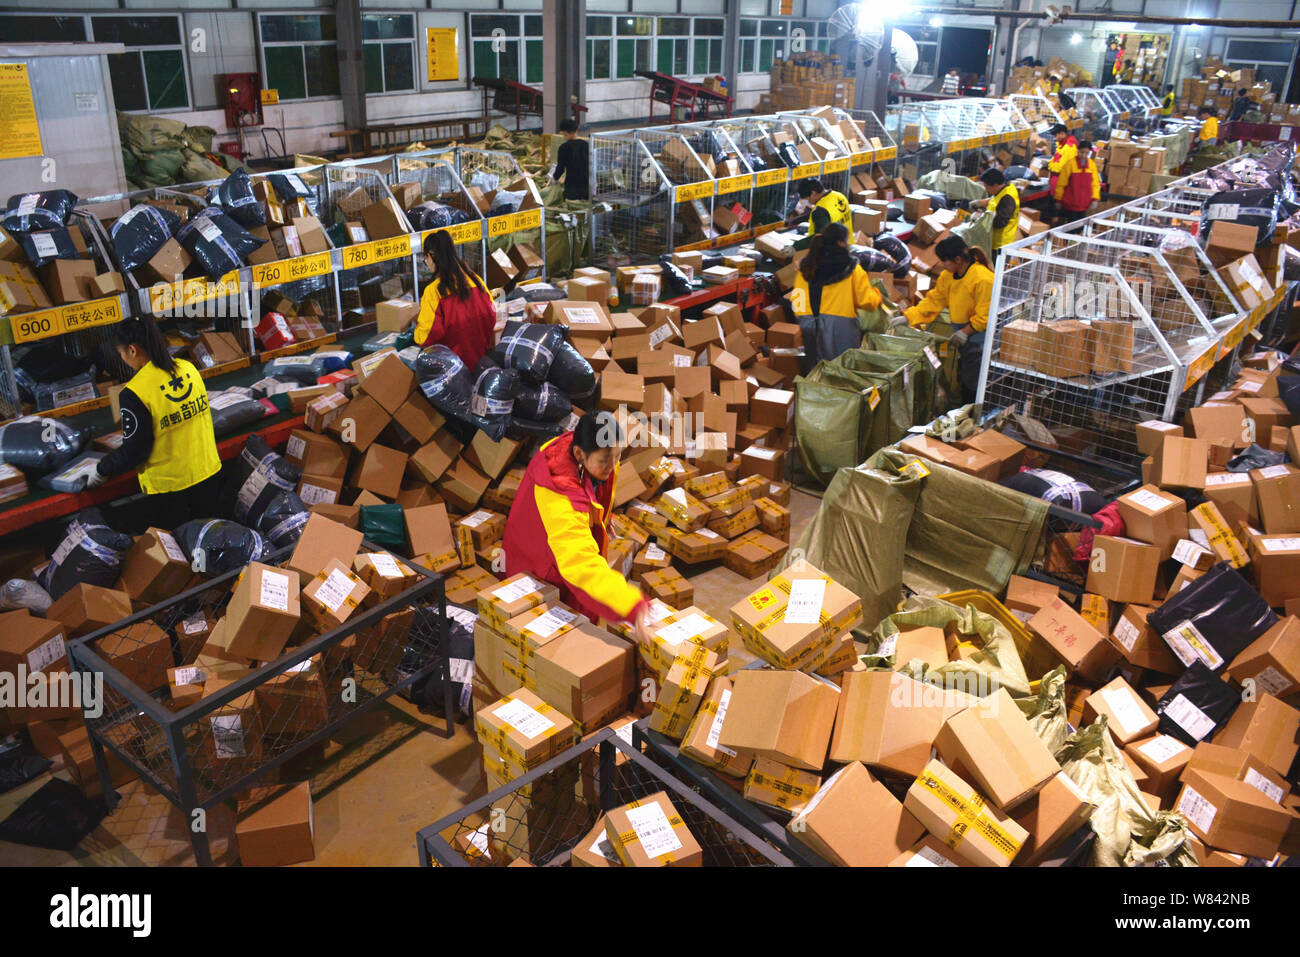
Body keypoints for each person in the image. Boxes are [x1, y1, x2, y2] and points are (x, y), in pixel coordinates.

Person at [502, 412, 651, 641]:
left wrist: (602, 516)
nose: (611, 466)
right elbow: (579, 561)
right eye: (604, 461)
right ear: (580, 454)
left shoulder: (585, 447)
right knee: (560, 629)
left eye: (617, 457)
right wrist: (628, 604)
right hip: (541, 556)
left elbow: (596, 486)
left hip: (552, 538)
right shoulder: (558, 490)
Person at [88, 317, 222, 529]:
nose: (123, 358)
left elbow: (136, 450)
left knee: (182, 553)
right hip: (208, 474)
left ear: (132, 350)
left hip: (171, 489)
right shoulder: (188, 368)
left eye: (121, 353)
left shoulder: (135, 392)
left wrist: (102, 469)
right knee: (212, 539)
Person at [901, 235, 994, 404]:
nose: (943, 265)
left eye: (945, 261)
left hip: (980, 335)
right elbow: (934, 300)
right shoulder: (948, 276)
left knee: (975, 376)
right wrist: (908, 317)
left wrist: (966, 332)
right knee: (965, 371)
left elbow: (985, 315)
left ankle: (972, 411)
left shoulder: (983, 279)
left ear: (957, 259)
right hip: (963, 331)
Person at [790, 222, 883, 371]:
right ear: (841, 243)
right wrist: (878, 295)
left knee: (815, 372)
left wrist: (807, 320)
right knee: (840, 373)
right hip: (839, 327)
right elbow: (865, 301)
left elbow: (797, 300)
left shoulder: (806, 266)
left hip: (808, 324)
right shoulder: (852, 268)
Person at [413, 229, 496, 368]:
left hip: (452, 370)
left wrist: (414, 334)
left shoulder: (434, 291)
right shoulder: (476, 281)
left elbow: (426, 337)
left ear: (432, 255)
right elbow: (492, 316)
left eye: (425, 257)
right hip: (480, 363)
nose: (426, 262)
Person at [790, 178, 852, 251]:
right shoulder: (839, 195)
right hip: (847, 243)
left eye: (807, 198)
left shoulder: (820, 210)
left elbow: (820, 236)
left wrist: (796, 246)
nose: (807, 202)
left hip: (832, 251)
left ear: (813, 193)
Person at [972, 168, 1019, 256]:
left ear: (996, 185)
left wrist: (981, 218)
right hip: (992, 240)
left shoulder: (1007, 199)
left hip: (999, 245)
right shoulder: (1005, 187)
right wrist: (982, 202)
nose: (986, 189)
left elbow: (1001, 222)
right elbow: (996, 199)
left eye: (987, 187)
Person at [1053, 139, 1100, 223]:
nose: (1083, 155)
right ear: (1078, 151)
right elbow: (1061, 183)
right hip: (1069, 204)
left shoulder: (1092, 165)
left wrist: (1095, 198)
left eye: (1086, 153)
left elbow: (1095, 184)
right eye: (1081, 152)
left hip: (1084, 205)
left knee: (1079, 229)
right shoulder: (1070, 164)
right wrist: (1058, 199)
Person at [549, 118, 590, 200]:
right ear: (576, 130)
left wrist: (554, 179)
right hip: (587, 187)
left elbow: (560, 169)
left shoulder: (564, 148)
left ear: (564, 132)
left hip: (572, 188)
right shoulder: (586, 145)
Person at [1046, 123, 1079, 222]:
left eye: (1056, 135)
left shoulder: (1069, 147)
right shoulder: (1061, 145)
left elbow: (1062, 167)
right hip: (1056, 184)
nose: (1055, 138)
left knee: (1059, 212)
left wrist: (1051, 166)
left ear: (1062, 133)